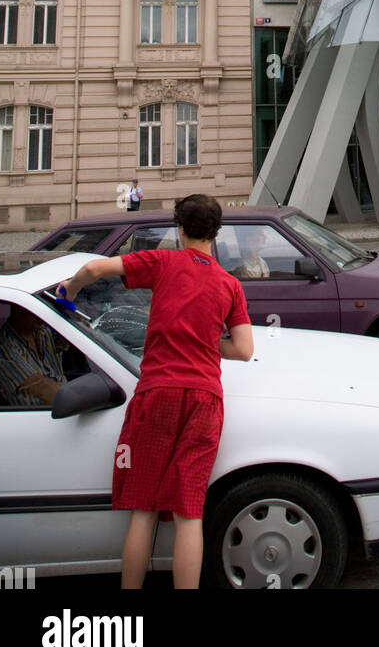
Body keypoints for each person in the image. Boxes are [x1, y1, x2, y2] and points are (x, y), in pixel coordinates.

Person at [60, 192, 254, 590]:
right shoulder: (229, 284)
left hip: (158, 395)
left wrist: (71, 290)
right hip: (204, 401)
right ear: (215, 233)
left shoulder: (162, 263)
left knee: (143, 509)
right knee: (189, 514)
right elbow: (244, 349)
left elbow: (96, 268)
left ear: (179, 229)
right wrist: (203, 341)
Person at [0, 304, 67, 407]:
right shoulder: (1, 348)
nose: (42, 316)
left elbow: (78, 334)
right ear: (20, 311)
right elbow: (42, 389)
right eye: (37, 310)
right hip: (40, 417)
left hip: (63, 404)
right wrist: (78, 402)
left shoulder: (43, 332)